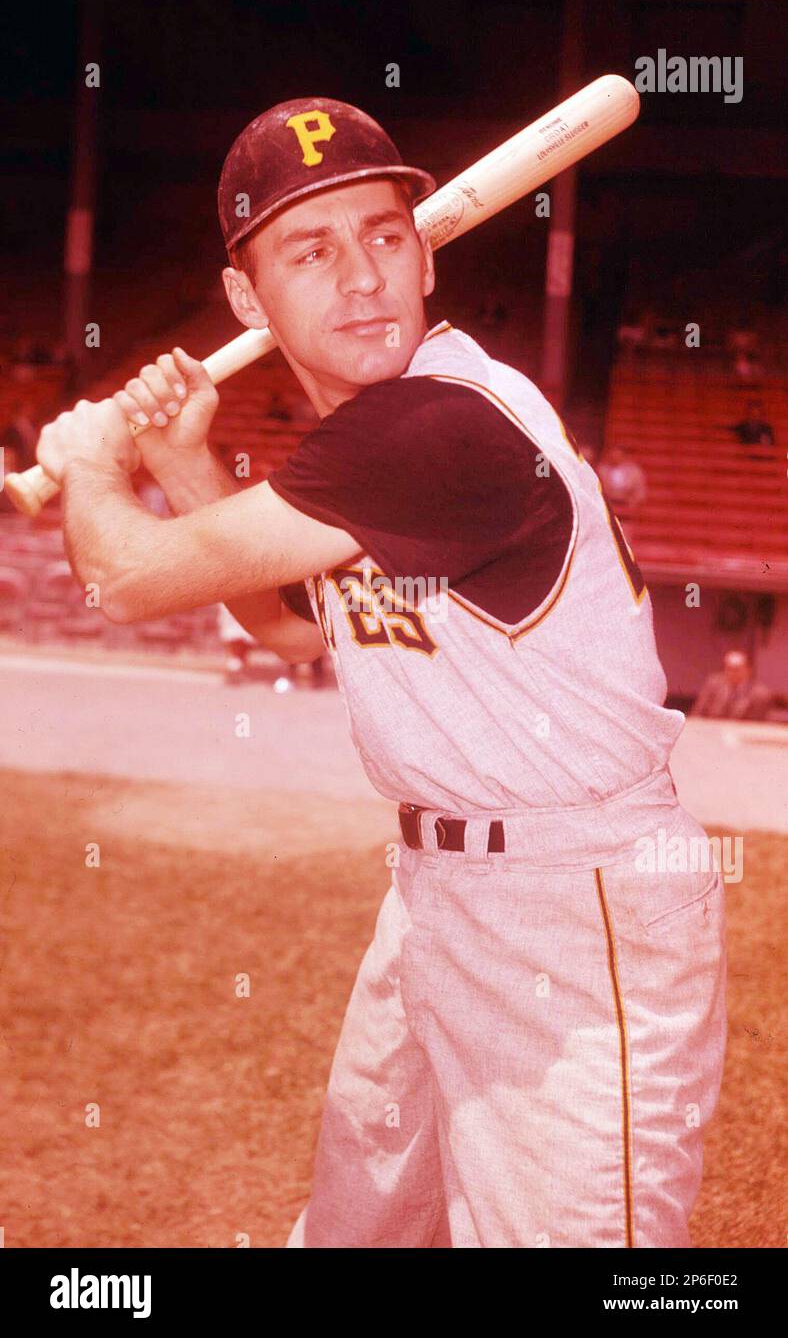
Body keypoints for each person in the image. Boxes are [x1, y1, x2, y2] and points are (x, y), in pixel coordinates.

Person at [35, 96, 727, 1249]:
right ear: (248, 301)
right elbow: (298, 631)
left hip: (573, 904)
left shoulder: (433, 429)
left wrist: (92, 465)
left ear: (424, 257)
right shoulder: (375, 444)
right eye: (312, 250)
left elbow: (127, 579)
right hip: (434, 893)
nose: (361, 275)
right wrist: (180, 455)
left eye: (385, 235)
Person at [691, 649, 773, 721]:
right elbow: (698, 713)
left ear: (748, 670)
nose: (731, 673)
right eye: (728, 668)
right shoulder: (713, 685)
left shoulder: (760, 695)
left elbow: (758, 725)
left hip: (742, 734)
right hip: (712, 731)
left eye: (736, 669)